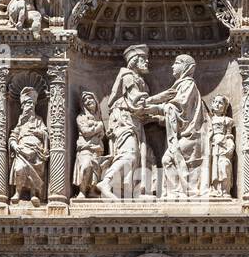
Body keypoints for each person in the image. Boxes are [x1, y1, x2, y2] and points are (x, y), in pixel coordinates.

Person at [141, 53, 207, 198]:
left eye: (177, 63)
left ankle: (183, 192)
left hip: (191, 135)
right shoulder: (180, 86)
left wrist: (154, 106)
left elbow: (178, 108)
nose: (172, 66)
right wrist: (155, 118)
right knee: (168, 159)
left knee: (168, 159)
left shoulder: (188, 85)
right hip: (184, 133)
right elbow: (176, 117)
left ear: (186, 67)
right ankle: (177, 192)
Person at [99, 44, 152, 199]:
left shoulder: (139, 80)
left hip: (134, 120)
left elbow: (141, 107)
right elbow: (135, 99)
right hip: (123, 120)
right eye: (143, 59)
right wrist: (160, 101)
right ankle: (106, 182)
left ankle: (132, 191)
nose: (147, 62)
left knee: (139, 156)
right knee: (129, 154)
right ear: (134, 60)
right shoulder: (128, 76)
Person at [8, 86, 48, 206]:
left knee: (37, 171)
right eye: (27, 104)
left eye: (32, 103)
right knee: (19, 169)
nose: (30, 106)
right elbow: (12, 137)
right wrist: (15, 145)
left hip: (37, 151)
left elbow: (46, 133)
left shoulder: (39, 120)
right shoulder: (20, 123)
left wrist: (39, 133)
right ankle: (17, 192)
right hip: (22, 150)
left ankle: (34, 194)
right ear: (23, 107)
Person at [73, 91, 106, 198]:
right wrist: (98, 127)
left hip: (97, 149)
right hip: (85, 148)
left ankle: (92, 190)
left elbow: (102, 136)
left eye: (90, 98)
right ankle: (82, 191)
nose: (88, 101)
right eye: (85, 100)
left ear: (96, 101)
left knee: (96, 169)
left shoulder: (99, 118)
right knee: (86, 166)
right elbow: (86, 132)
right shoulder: (81, 117)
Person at [206, 95, 235, 197]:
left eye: (220, 103)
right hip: (212, 146)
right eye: (216, 102)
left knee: (224, 165)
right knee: (212, 168)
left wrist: (231, 146)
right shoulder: (208, 120)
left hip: (223, 145)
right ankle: (214, 189)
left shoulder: (228, 120)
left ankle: (224, 190)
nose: (217, 105)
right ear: (212, 105)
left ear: (225, 107)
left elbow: (229, 136)